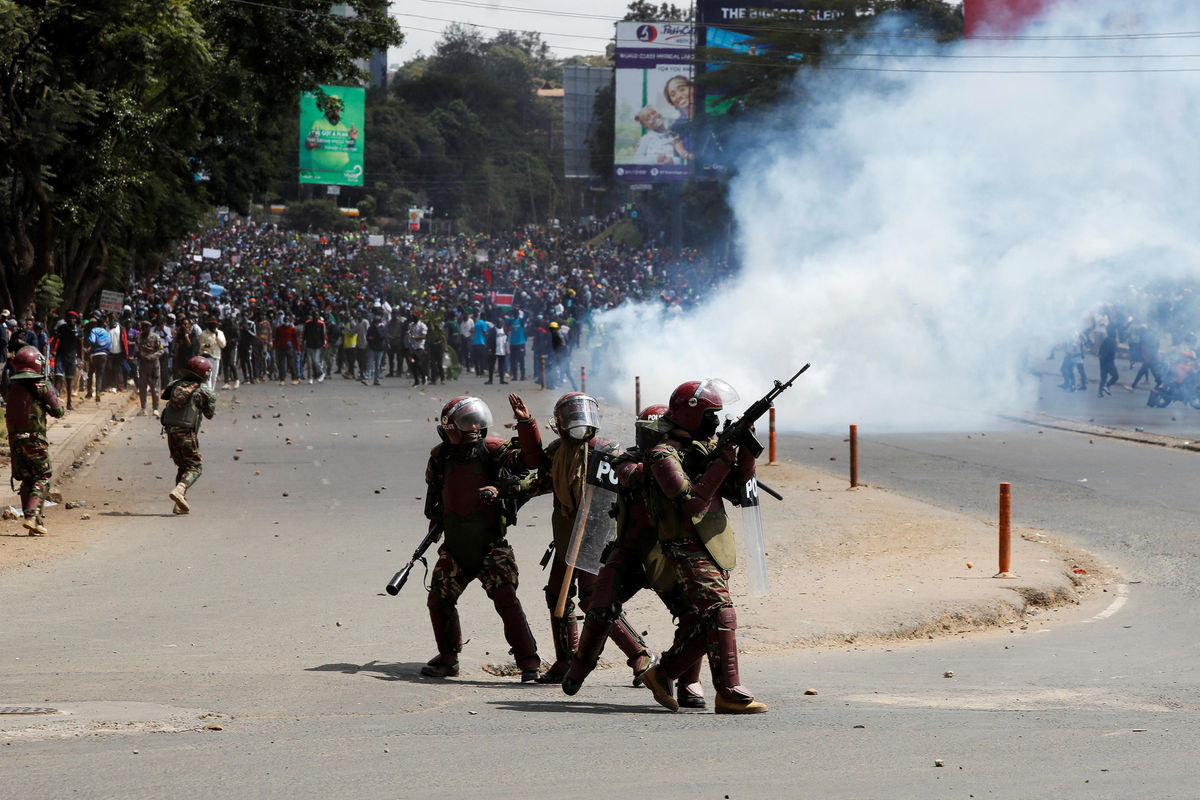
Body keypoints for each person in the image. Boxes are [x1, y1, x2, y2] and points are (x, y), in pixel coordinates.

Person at [558, 404, 707, 707]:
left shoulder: (683, 461)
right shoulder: (627, 462)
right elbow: (636, 477)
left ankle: (690, 682)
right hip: (629, 550)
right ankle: (581, 665)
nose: (651, 441)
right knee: (599, 606)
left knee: (694, 614)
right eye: (646, 434)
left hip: (670, 553)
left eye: (657, 434)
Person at [639, 378, 767, 714]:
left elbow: (740, 490)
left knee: (706, 621)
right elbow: (691, 503)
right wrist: (723, 459)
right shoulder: (661, 455)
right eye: (711, 413)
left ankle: (663, 673)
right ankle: (728, 692)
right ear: (691, 415)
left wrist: (747, 453)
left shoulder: (705, 448)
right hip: (683, 545)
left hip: (711, 544)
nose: (715, 420)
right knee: (721, 613)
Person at [511, 391, 654, 686]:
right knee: (556, 596)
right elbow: (537, 470)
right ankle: (566, 659)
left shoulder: (606, 451)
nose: (578, 423)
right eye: (571, 416)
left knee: (594, 601)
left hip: (597, 540)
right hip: (566, 538)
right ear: (561, 423)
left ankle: (640, 654)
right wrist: (526, 424)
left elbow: (625, 486)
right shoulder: (556, 451)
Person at [420, 395, 542, 682]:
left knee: (506, 598)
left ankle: (529, 663)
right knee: (438, 599)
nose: (474, 427)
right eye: (466, 422)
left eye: (477, 421)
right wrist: (433, 531)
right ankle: (448, 659)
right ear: (451, 426)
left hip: (491, 546)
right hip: (456, 547)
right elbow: (436, 503)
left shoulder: (493, 450)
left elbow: (531, 459)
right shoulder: (439, 458)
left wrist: (526, 423)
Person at [5, 346, 64, 535]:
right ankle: (30, 515)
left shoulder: (12, 386)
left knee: (27, 478)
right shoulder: (41, 386)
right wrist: (48, 398)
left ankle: (35, 523)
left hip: (15, 439)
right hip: (34, 438)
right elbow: (58, 411)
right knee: (43, 475)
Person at [161, 356, 217, 514]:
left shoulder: (175, 384)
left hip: (170, 430)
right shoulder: (203, 390)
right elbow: (209, 414)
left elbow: (165, 397)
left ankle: (179, 504)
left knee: (183, 466)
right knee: (195, 467)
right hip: (186, 432)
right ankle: (180, 490)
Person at [53, 311, 82, 411]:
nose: (71, 320)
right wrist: (51, 352)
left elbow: (80, 346)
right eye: (69, 318)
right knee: (58, 377)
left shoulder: (79, 331)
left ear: (76, 320)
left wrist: (80, 359)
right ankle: (56, 401)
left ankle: (69, 402)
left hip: (71, 358)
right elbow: (55, 340)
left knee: (69, 381)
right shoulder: (62, 328)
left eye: (73, 318)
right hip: (60, 356)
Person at [135, 320, 164, 416]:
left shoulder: (155, 337)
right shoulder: (139, 338)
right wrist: (140, 355)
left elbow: (161, 350)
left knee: (155, 388)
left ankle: (155, 408)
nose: (144, 329)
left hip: (153, 366)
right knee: (142, 387)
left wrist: (152, 356)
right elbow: (136, 350)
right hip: (143, 366)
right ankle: (143, 408)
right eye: (143, 327)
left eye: (146, 327)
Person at [85, 317, 111, 401]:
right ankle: (98, 393)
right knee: (99, 374)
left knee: (91, 373)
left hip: (94, 354)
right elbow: (109, 345)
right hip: (104, 355)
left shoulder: (94, 330)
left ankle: (89, 392)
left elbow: (92, 340)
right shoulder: (107, 332)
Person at [198, 318, 226, 391]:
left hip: (216, 356)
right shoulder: (203, 333)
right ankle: (209, 391)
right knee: (208, 376)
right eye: (211, 324)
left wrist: (217, 336)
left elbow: (223, 345)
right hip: (207, 356)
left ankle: (212, 391)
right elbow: (200, 345)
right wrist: (205, 345)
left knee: (214, 376)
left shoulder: (220, 333)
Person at [273, 315, 300, 385]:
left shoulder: (292, 329)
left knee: (291, 364)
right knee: (281, 365)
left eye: (287, 320)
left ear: (290, 321)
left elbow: (296, 339)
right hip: (281, 348)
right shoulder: (279, 329)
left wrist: (298, 349)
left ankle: (295, 379)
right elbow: (276, 338)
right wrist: (274, 347)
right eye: (285, 320)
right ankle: (282, 379)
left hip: (289, 348)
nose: (286, 322)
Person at [302, 311, 327, 384]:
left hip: (318, 346)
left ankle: (321, 373)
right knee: (309, 362)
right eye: (314, 315)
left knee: (316, 361)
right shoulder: (308, 323)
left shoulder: (321, 324)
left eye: (317, 315)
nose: (316, 317)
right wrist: (303, 342)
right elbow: (305, 333)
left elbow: (323, 335)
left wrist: (323, 344)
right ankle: (310, 378)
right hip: (309, 345)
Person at [407, 310, 428, 386]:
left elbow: (424, 336)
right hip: (412, 346)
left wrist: (414, 337)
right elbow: (409, 332)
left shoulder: (423, 325)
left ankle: (424, 376)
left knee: (418, 363)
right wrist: (409, 333)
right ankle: (416, 381)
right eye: (413, 317)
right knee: (412, 363)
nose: (414, 318)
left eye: (415, 317)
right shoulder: (411, 325)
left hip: (420, 346)